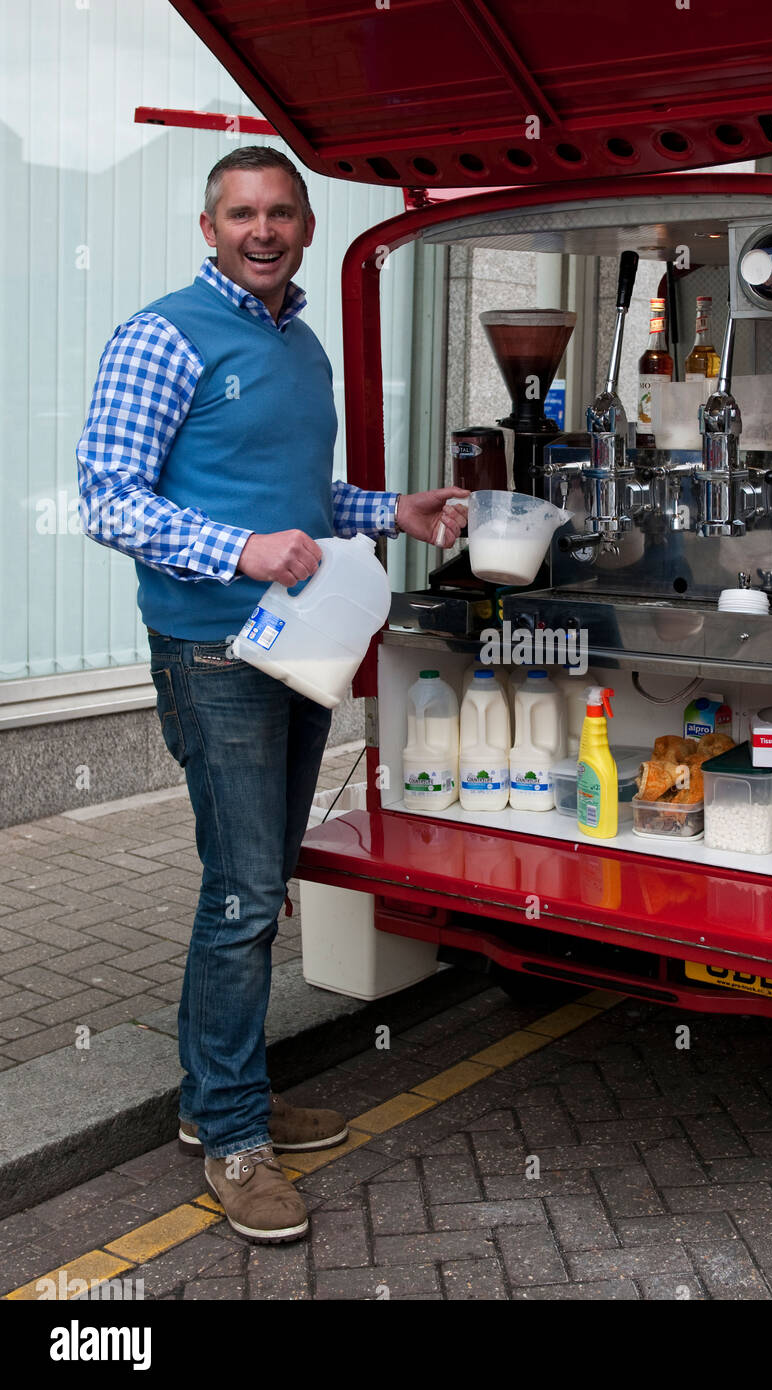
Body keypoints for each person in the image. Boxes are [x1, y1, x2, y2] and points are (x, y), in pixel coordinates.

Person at [76, 146, 467, 1244]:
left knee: (257, 884)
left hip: (300, 648)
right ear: (209, 228)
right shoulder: (162, 335)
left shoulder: (298, 344)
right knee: (243, 895)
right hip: (214, 654)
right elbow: (107, 497)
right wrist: (237, 548)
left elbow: (308, 498)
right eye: (241, 213)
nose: (262, 229)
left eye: (281, 212)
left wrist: (401, 512)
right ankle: (235, 1136)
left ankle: (219, 1100)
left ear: (304, 224)